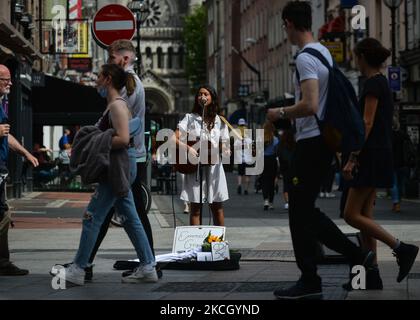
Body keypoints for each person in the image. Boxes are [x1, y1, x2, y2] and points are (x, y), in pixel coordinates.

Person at [267, 2, 375, 300]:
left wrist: (280, 113)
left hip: (313, 143)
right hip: (321, 142)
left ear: (288, 23)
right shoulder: (324, 52)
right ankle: (324, 269)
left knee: (301, 211)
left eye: (284, 26)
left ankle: (326, 270)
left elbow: (311, 105)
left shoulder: (304, 58)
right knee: (303, 210)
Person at [51, 64, 157, 285]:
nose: (96, 81)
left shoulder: (117, 106)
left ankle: (79, 269)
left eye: (98, 77)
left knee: (92, 217)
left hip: (116, 168)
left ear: (107, 79)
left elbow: (123, 138)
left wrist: (95, 140)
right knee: (130, 218)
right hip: (120, 167)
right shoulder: (115, 105)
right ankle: (148, 266)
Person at [342, 38, 419, 289]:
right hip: (378, 152)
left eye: (356, 55)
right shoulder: (380, 82)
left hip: (370, 154)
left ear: (363, 56)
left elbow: (367, 123)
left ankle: (401, 248)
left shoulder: (373, 84)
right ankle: (370, 276)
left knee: (351, 215)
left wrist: (353, 157)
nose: (354, 59)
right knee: (365, 216)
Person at [82, 40, 158, 280]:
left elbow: (122, 131)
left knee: (101, 214)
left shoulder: (126, 89)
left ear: (124, 59)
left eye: (112, 59)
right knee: (127, 213)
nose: (108, 66)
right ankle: (148, 264)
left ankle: (82, 265)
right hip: (128, 158)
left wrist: (96, 140)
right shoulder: (129, 85)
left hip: (123, 159)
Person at [0, 64, 39, 276]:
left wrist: (25, 153)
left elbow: (6, 135)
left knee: (3, 214)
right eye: (6, 79)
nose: (11, 83)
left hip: (1, 169)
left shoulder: (1, 104)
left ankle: (3, 263)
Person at [174, 85, 230, 226]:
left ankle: (219, 243)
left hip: (214, 169)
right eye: (200, 94)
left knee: (217, 209)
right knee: (196, 209)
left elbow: (225, 143)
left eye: (206, 94)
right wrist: (187, 148)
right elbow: (172, 138)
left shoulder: (220, 121)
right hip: (195, 169)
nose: (202, 97)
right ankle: (195, 244)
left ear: (212, 97)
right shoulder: (190, 118)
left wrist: (226, 149)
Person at [391, 116, 414, 213]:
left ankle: (396, 203)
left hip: (391, 162)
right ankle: (398, 202)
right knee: (400, 184)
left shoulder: (388, 135)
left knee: (393, 184)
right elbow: (410, 149)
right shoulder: (404, 135)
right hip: (404, 163)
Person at [261, 121, 279, 210]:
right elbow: (277, 151)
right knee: (272, 182)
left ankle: (265, 201)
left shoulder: (261, 138)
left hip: (263, 160)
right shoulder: (275, 139)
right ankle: (271, 202)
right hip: (272, 160)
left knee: (264, 181)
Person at [278, 126, 295, 210]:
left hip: (285, 168)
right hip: (294, 168)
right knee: (295, 183)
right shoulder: (295, 143)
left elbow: (279, 155)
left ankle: (287, 202)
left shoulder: (281, 144)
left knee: (286, 185)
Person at [234, 118, 252, 195]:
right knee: (248, 175)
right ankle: (246, 189)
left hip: (240, 159)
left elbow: (234, 148)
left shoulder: (237, 140)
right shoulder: (249, 139)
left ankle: (239, 185)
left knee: (240, 174)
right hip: (248, 159)